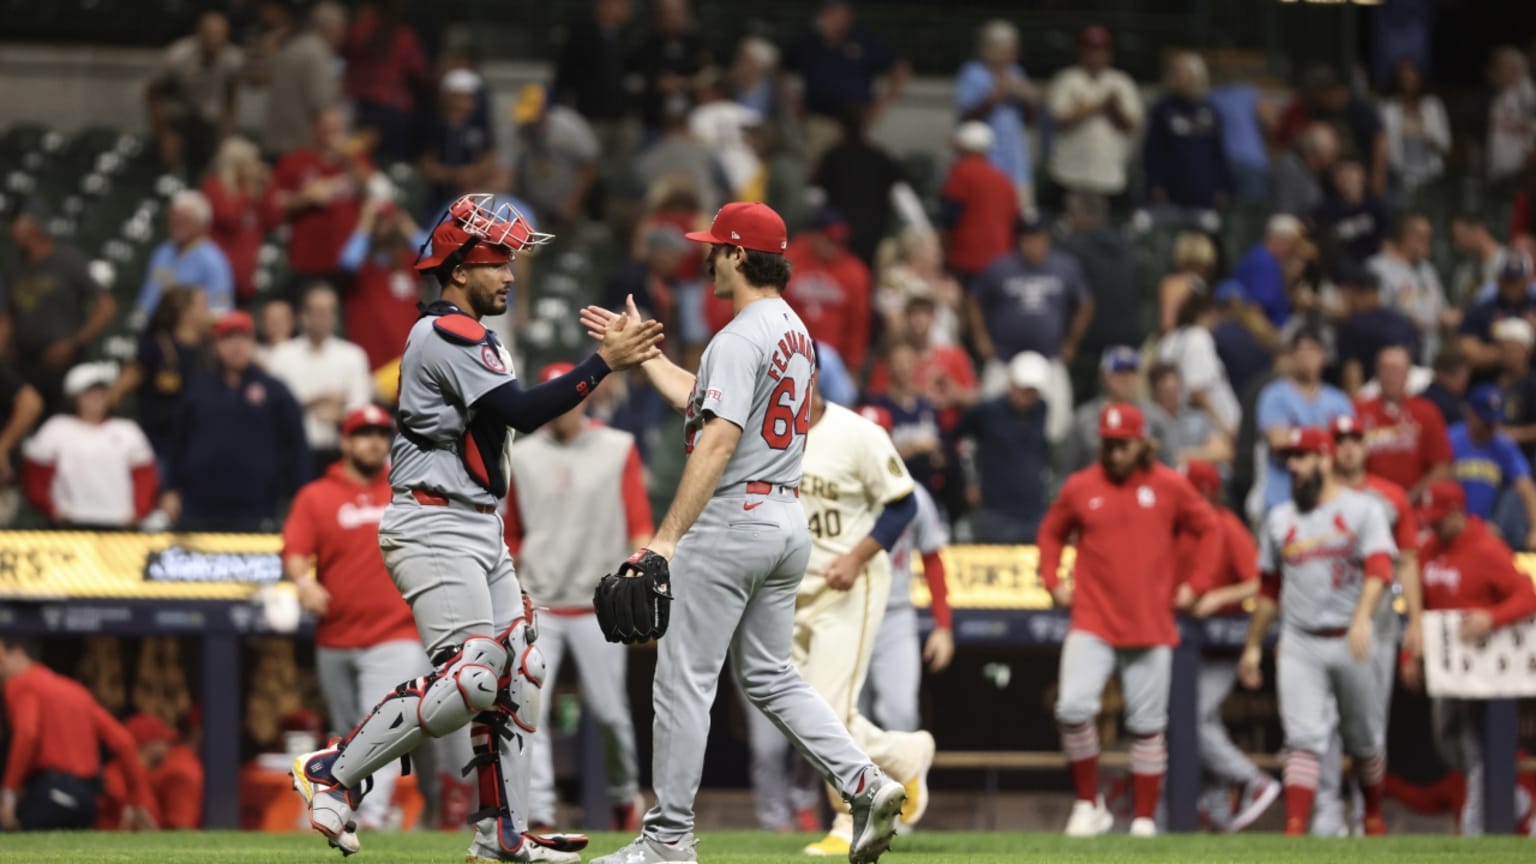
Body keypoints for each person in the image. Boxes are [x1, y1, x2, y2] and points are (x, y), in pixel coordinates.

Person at [286, 193, 660, 863]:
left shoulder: (471, 333)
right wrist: (603, 363)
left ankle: (501, 836)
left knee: (520, 671)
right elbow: (521, 411)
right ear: (458, 269)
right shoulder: (445, 332)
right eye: (498, 263)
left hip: (474, 524)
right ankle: (335, 768)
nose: (510, 276)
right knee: (472, 678)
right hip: (434, 522)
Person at [577, 201, 907, 864]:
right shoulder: (793, 331)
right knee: (769, 674)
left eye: (715, 247)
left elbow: (719, 439)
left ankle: (667, 840)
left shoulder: (737, 336)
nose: (707, 258)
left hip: (733, 517)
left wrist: (666, 538)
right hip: (784, 519)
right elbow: (703, 399)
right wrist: (645, 355)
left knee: (682, 681)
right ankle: (865, 783)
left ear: (736, 254)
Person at [750, 381, 930, 856]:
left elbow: (904, 503)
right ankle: (903, 753)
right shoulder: (768, 434)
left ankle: (849, 817)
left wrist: (856, 557)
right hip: (793, 590)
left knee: (829, 712)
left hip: (850, 582)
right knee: (797, 711)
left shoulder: (858, 433)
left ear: (810, 377)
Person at [284, 405, 469, 833]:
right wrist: (303, 582)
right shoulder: (316, 496)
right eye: (363, 434)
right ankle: (437, 806)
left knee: (378, 725)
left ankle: (369, 816)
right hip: (336, 635)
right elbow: (294, 550)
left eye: (380, 434)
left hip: (397, 633)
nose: (373, 442)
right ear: (345, 442)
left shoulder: (404, 489)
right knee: (350, 731)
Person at [1038, 402, 1220, 837]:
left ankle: (1142, 819)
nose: (1115, 452)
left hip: (1150, 622)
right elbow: (1051, 532)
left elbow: (1210, 527)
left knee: (1147, 726)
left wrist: (1198, 584)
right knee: (1073, 709)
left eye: (1123, 444)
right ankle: (1088, 804)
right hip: (1093, 618)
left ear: (1142, 444)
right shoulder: (1081, 485)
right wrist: (1052, 579)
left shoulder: (1169, 485)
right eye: (1109, 443)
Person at [504, 363, 654, 833]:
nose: (561, 408)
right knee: (530, 710)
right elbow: (512, 534)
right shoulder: (521, 454)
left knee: (610, 714)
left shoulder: (618, 446)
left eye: (568, 398)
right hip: (541, 601)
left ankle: (623, 796)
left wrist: (638, 574)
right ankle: (540, 811)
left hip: (599, 603)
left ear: (584, 398)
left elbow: (639, 522)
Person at [1239, 427, 1395, 836]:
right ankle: (1295, 830)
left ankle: (1372, 815)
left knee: (1364, 741)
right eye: (1289, 458)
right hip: (1300, 640)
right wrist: (1253, 645)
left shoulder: (1363, 509)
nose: (1293, 465)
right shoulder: (1280, 518)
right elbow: (1269, 589)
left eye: (1302, 456)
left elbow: (1380, 569)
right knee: (1302, 737)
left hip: (1351, 637)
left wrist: (1362, 617)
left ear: (1325, 459)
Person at [1313, 415, 1423, 837]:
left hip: (1378, 626)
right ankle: (1326, 809)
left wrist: (1414, 620)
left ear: (1365, 445)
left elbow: (1407, 560)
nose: (1348, 448)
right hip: (1325, 625)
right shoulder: (1315, 495)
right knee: (1322, 722)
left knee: (1370, 724)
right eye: (1340, 440)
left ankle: (1365, 811)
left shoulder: (1389, 496)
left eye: (1355, 440)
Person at [1405, 480, 1536, 836]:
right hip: (1446, 666)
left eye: (1438, 519)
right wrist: (1409, 654)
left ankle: (1474, 829)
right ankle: (1514, 799)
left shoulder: (1487, 548)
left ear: (1457, 513)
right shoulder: (1429, 549)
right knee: (1448, 743)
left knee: (1477, 748)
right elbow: (1420, 607)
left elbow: (1528, 595)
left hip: (1485, 667)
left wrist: (1492, 617)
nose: (1432, 526)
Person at [1178, 461, 1277, 833]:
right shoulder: (1179, 529)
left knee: (1193, 718)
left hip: (1224, 642)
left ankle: (1253, 780)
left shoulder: (1226, 525)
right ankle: (1219, 813)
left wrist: (1218, 597)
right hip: (1188, 645)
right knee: (1200, 724)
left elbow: (1259, 582)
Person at [163, 310, 308, 532]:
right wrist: (170, 489)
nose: (237, 345)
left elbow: (297, 446)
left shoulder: (275, 390)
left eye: (243, 338)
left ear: (253, 343)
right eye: (229, 338)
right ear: (216, 345)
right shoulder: (197, 389)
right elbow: (176, 443)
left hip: (259, 505)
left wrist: (299, 495)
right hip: (200, 505)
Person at [855, 411, 954, 737]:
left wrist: (943, 626)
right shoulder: (836, 490)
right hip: (844, 612)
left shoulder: (913, 494)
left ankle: (902, 775)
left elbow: (933, 559)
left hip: (894, 617)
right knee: (846, 721)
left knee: (902, 717)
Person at [0, 637, 155, 832]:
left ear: (17, 654)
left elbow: (27, 734)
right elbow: (123, 741)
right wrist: (139, 800)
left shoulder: (20, 684)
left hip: (53, 790)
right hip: (87, 800)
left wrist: (8, 794)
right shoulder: (75, 690)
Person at [2, 198, 118, 414]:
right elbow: (7, 316)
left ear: (35, 225)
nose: (12, 231)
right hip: (24, 363)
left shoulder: (67, 260)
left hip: (64, 363)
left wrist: (74, 342)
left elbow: (106, 305)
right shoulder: (14, 267)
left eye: (17, 223)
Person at [968, 214, 1092, 414]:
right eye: (1027, 238)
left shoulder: (1065, 267)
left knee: (1058, 420)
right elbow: (974, 300)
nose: (1033, 243)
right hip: (1004, 358)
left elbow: (1085, 304)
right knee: (988, 414)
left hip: (1049, 358)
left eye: (1038, 237)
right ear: (1019, 240)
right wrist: (980, 337)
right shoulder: (1000, 267)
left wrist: (1071, 343)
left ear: (1047, 239)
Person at [22, 363, 157, 529]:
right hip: (69, 522)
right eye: (90, 392)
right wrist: (50, 509)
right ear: (75, 397)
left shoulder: (128, 430)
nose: (97, 397)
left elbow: (145, 476)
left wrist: (139, 512)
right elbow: (35, 476)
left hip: (119, 523)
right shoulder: (57, 428)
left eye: (102, 392)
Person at [784, 0, 909, 171]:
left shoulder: (864, 40)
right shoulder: (808, 41)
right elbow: (781, 69)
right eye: (828, 12)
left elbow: (900, 68)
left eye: (837, 12)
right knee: (817, 168)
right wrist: (791, 99)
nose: (831, 18)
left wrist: (881, 103)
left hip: (856, 123)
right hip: (819, 120)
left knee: (854, 170)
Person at [265, 283, 373, 471]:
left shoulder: (353, 356)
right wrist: (319, 399)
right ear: (303, 315)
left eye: (330, 311)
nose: (324, 317)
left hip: (341, 453)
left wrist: (340, 415)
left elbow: (360, 409)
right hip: (293, 454)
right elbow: (275, 410)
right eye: (317, 311)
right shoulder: (281, 356)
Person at [1251, 328, 1353, 519]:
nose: (1307, 357)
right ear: (1291, 356)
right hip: (1282, 498)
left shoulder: (1339, 400)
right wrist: (1324, 437)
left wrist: (1298, 436)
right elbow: (1278, 441)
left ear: (1324, 356)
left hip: (1328, 498)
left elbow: (1348, 447)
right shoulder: (1274, 395)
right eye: (1301, 351)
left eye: (1312, 350)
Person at [272, 108, 373, 295]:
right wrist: (305, 198)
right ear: (315, 129)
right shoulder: (295, 161)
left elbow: (371, 189)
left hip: (345, 260)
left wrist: (349, 158)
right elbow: (275, 204)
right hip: (306, 259)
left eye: (338, 127)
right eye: (328, 127)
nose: (333, 132)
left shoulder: (355, 160)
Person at [956, 352, 1052, 543]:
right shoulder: (987, 412)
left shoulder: (1041, 409)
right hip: (996, 511)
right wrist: (969, 481)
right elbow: (960, 442)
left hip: (1033, 509)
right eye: (1023, 389)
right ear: (1011, 383)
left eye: (1032, 391)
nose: (1027, 396)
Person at [1046, 25, 1142, 202]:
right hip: (1070, 172)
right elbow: (1059, 121)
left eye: (1100, 50)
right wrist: (1098, 106)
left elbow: (1131, 125)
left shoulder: (1121, 82)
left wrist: (1112, 108)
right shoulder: (1067, 79)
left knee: (1107, 220)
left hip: (1109, 175)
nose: (1095, 55)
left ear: (1108, 53)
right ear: (1081, 51)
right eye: (1090, 49)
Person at [145, 10, 244, 178]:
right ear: (200, 35)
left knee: (212, 171)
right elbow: (152, 94)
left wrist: (227, 133)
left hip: (208, 122)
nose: (216, 40)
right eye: (212, 34)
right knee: (172, 171)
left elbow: (230, 96)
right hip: (177, 119)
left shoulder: (233, 59)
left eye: (221, 35)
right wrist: (164, 133)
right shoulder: (177, 56)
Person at [338, 197, 429, 371]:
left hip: (406, 361)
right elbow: (347, 264)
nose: (382, 225)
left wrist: (408, 228)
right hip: (371, 362)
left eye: (386, 219)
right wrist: (365, 224)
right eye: (377, 220)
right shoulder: (362, 265)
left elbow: (438, 259)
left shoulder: (408, 261)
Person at [954, 20, 1035, 212]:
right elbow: (965, 118)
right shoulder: (972, 73)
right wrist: (995, 97)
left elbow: (1030, 119)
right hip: (987, 163)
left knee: (1023, 216)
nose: (1013, 55)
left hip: (1016, 166)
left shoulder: (1017, 72)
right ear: (992, 49)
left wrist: (1025, 98)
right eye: (1008, 49)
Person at [1353, 345, 1452, 498]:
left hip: (1414, 501)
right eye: (1385, 369)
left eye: (1396, 370)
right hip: (1367, 499)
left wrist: (1410, 498)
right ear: (1376, 374)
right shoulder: (1358, 411)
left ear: (1407, 374)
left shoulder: (1427, 412)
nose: (1390, 376)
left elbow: (1441, 466)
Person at [784, 208, 873, 375]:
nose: (836, 247)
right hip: (787, 351)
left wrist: (853, 366)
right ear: (814, 236)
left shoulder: (855, 272)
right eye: (830, 240)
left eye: (840, 242)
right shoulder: (789, 259)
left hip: (832, 361)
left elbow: (858, 325)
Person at [1064, 346, 1180, 474]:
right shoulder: (1083, 419)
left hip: (1143, 484)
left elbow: (1170, 466)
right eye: (1120, 372)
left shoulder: (1157, 418)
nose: (1126, 379)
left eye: (1131, 372)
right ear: (1104, 377)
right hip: (1095, 484)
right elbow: (1066, 468)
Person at [1448, 385, 1536, 551]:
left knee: (1511, 499)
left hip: (1487, 528)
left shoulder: (1502, 444)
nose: (1491, 428)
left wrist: (1534, 529)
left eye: (1494, 422)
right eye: (1486, 422)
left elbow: (1526, 487)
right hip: (1452, 525)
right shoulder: (1450, 440)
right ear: (1470, 414)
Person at [341, 0, 429, 163]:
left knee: (361, 159)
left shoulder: (359, 30)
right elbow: (418, 70)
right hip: (393, 109)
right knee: (392, 161)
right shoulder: (404, 35)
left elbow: (343, 53)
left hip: (363, 106)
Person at [255, 0, 345, 156]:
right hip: (300, 148)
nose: (342, 35)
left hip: (275, 142)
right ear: (327, 27)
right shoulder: (316, 50)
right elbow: (322, 103)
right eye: (340, 28)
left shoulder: (290, 46)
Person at [1143, 52, 1229, 212]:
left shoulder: (1209, 111)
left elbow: (1217, 151)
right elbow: (1153, 150)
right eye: (1175, 73)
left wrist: (1222, 185)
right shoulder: (1163, 109)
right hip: (1171, 191)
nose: (1176, 78)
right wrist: (1155, 183)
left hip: (1204, 191)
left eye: (1182, 73)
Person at [938, 122, 1020, 287]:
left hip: (966, 258)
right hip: (1001, 259)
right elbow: (1015, 221)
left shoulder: (961, 171)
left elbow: (950, 216)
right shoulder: (1003, 178)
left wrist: (942, 250)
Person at [137, 189, 235, 323]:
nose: (177, 224)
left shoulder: (214, 261)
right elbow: (148, 297)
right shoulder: (162, 252)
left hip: (191, 331)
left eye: (185, 220)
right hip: (155, 327)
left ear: (202, 223)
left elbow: (222, 310)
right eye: (174, 218)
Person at [202, 136, 278, 304]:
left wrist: (269, 187)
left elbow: (273, 220)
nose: (256, 168)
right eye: (251, 163)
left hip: (247, 277)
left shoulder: (254, 191)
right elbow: (229, 219)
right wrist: (248, 194)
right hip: (221, 277)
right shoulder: (214, 187)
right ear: (236, 165)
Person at [1367, 213, 1448, 365]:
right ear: (1407, 236)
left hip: (1432, 356)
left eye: (1429, 236)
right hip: (1396, 356)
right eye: (1423, 236)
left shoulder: (1428, 270)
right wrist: (1406, 320)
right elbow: (1375, 313)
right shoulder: (1378, 268)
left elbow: (1441, 309)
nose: (1428, 241)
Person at [1158, 291, 1240, 440]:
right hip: (1207, 429)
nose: (1217, 322)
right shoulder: (1199, 337)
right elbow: (1196, 391)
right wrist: (1224, 426)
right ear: (1203, 314)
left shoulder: (1169, 340)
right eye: (1215, 315)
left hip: (1179, 424)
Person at [100, 713, 203, 830]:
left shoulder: (145, 773)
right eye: (162, 739)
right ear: (148, 744)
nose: (168, 745)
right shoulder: (114, 775)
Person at [419, 70, 499, 214]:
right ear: (447, 97)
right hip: (437, 197)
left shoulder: (480, 127)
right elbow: (426, 166)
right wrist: (455, 175)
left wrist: (470, 175)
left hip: (474, 195)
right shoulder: (432, 126)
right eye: (459, 97)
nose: (464, 103)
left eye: (469, 97)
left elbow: (488, 164)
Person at [1335, 268, 1421, 396]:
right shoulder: (1401, 319)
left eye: (1345, 295)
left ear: (1355, 294)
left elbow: (1352, 375)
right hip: (1415, 389)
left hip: (1377, 394)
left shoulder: (1352, 326)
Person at [1381, 59, 1451, 197]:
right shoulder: (1389, 110)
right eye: (1404, 78)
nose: (1408, 82)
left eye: (1412, 77)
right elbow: (1384, 147)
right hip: (1401, 177)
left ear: (1420, 79)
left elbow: (1446, 145)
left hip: (1432, 176)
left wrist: (1432, 142)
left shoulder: (1433, 106)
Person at [1460, 252, 1536, 376]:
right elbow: (1467, 353)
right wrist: (1510, 352)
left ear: (1528, 280)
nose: (1512, 286)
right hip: (1490, 380)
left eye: (1517, 280)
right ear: (1499, 279)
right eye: (1508, 279)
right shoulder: (1480, 310)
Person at [1232, 214, 1305, 333]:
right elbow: (1255, 311)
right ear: (1280, 240)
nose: (1293, 251)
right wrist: (1274, 341)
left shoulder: (1265, 258)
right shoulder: (1264, 262)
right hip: (1267, 335)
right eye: (1292, 244)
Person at [1492, 318, 1536, 465]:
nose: (1509, 355)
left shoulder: (1532, 384)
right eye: (1505, 350)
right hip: (1489, 455)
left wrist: (1511, 435)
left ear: (1527, 352)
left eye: (1515, 350)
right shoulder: (1488, 379)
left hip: (1525, 456)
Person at [1421, 348, 1471, 427]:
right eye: (1462, 377)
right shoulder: (1452, 408)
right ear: (1445, 376)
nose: (1465, 382)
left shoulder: (1421, 397)